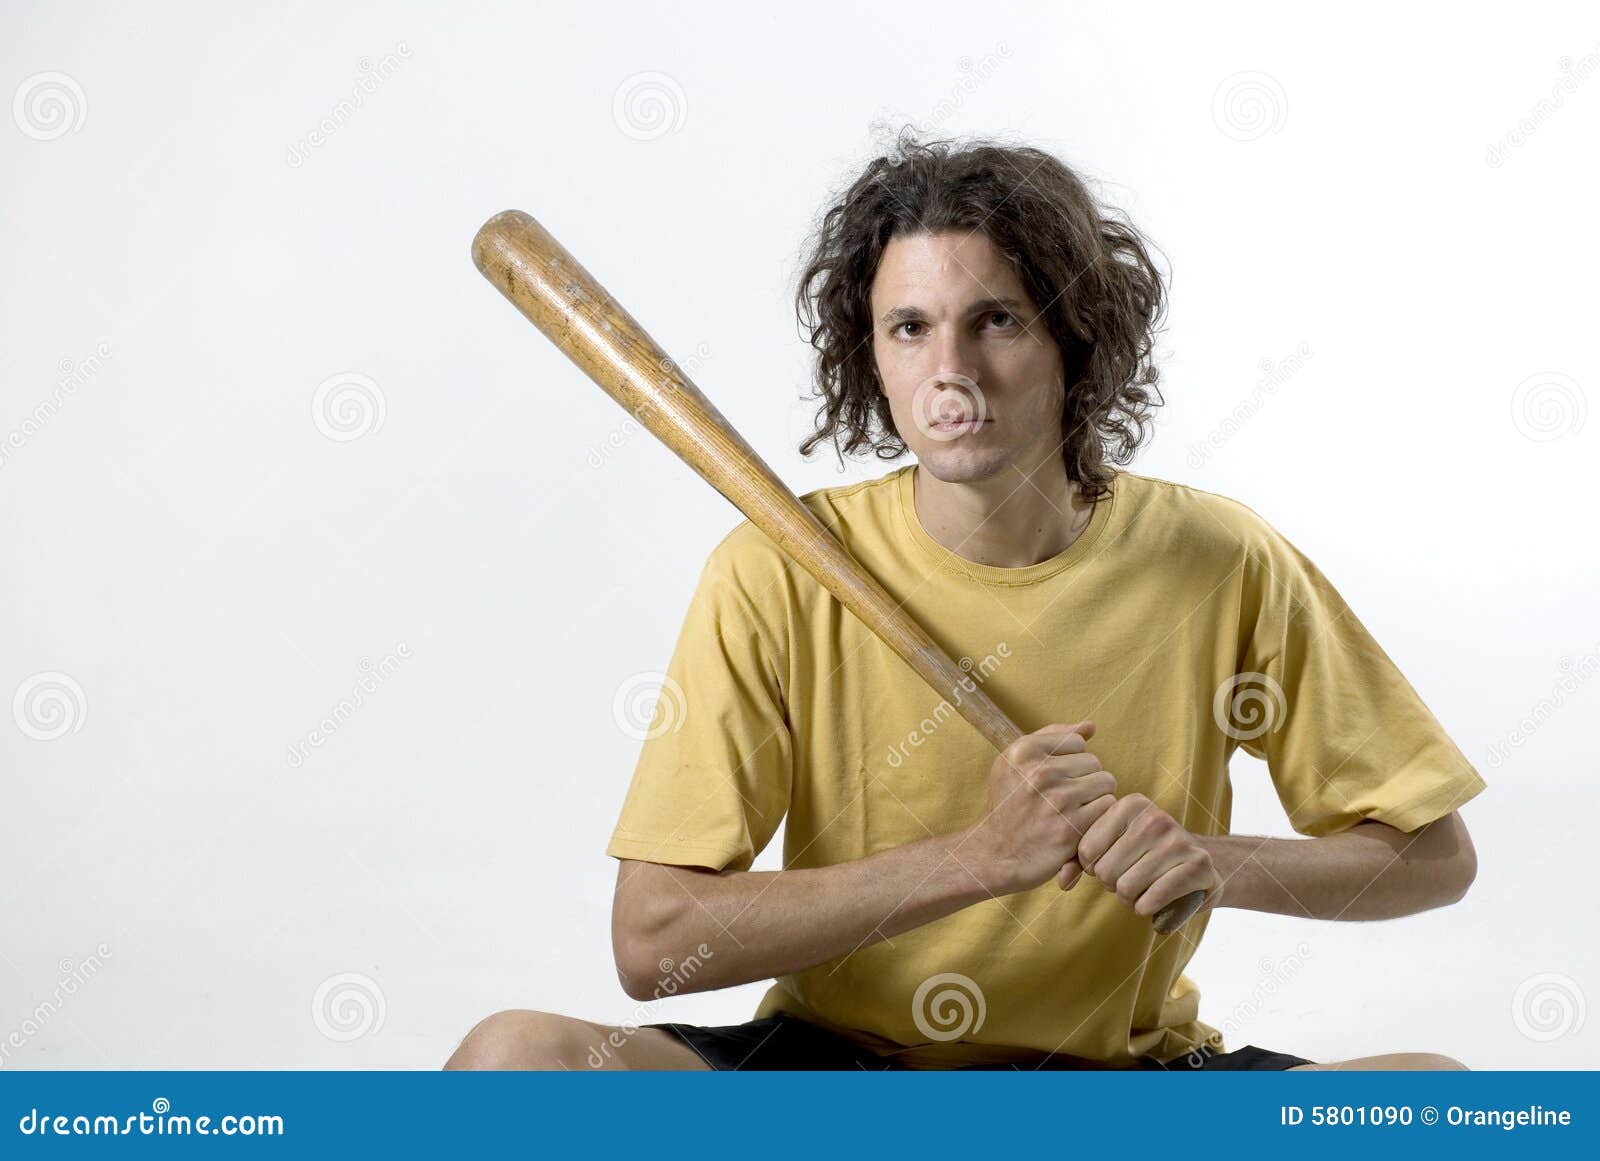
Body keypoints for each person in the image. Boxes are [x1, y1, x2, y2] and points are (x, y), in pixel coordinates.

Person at [446, 130, 1483, 1072]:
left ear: (1076, 340)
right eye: (908, 328)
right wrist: (979, 860)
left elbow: (1429, 858)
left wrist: (1206, 858)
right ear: (872, 361)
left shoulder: (1220, 561)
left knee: (1435, 1105)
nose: (952, 372)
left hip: (1127, 1086)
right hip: (828, 1071)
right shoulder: (771, 571)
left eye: (995, 320)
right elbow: (654, 942)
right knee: (515, 1059)